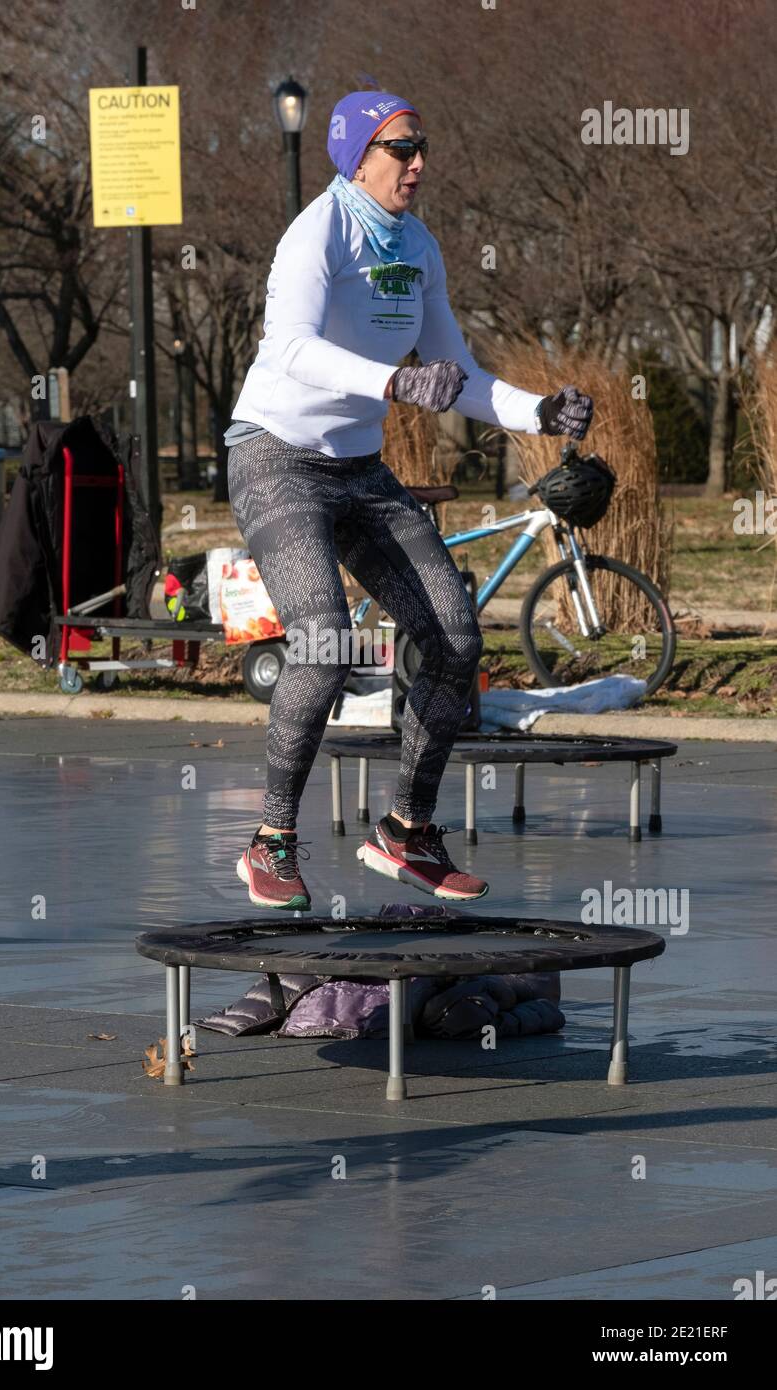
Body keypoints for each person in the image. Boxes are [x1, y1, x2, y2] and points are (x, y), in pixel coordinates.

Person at [226, 89, 593, 911]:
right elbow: (288, 347)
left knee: (456, 639)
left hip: (358, 470)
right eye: (401, 149)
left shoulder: (418, 245)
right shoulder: (316, 233)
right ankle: (271, 841)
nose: (418, 163)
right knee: (322, 640)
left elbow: (454, 370)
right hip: (275, 460)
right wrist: (393, 380)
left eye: (422, 147)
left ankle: (405, 833)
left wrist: (538, 411)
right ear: (357, 157)